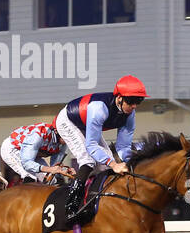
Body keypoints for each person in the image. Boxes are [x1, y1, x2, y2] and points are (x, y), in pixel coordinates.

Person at [54, 75, 145, 220]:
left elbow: (123, 147)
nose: (134, 106)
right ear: (119, 98)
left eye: (139, 101)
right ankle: (70, 207)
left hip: (85, 123)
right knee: (88, 160)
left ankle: (96, 201)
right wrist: (114, 164)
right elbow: (91, 146)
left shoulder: (130, 114)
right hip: (68, 121)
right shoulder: (99, 108)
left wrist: (130, 163)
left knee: (104, 165)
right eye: (132, 101)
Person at [1, 121, 71, 184]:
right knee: (30, 177)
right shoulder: (38, 135)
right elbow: (27, 164)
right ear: (56, 131)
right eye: (65, 135)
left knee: (53, 180)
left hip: (33, 154)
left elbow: (55, 166)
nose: (68, 138)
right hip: (13, 148)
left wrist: (62, 171)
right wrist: (50, 169)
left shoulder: (63, 143)